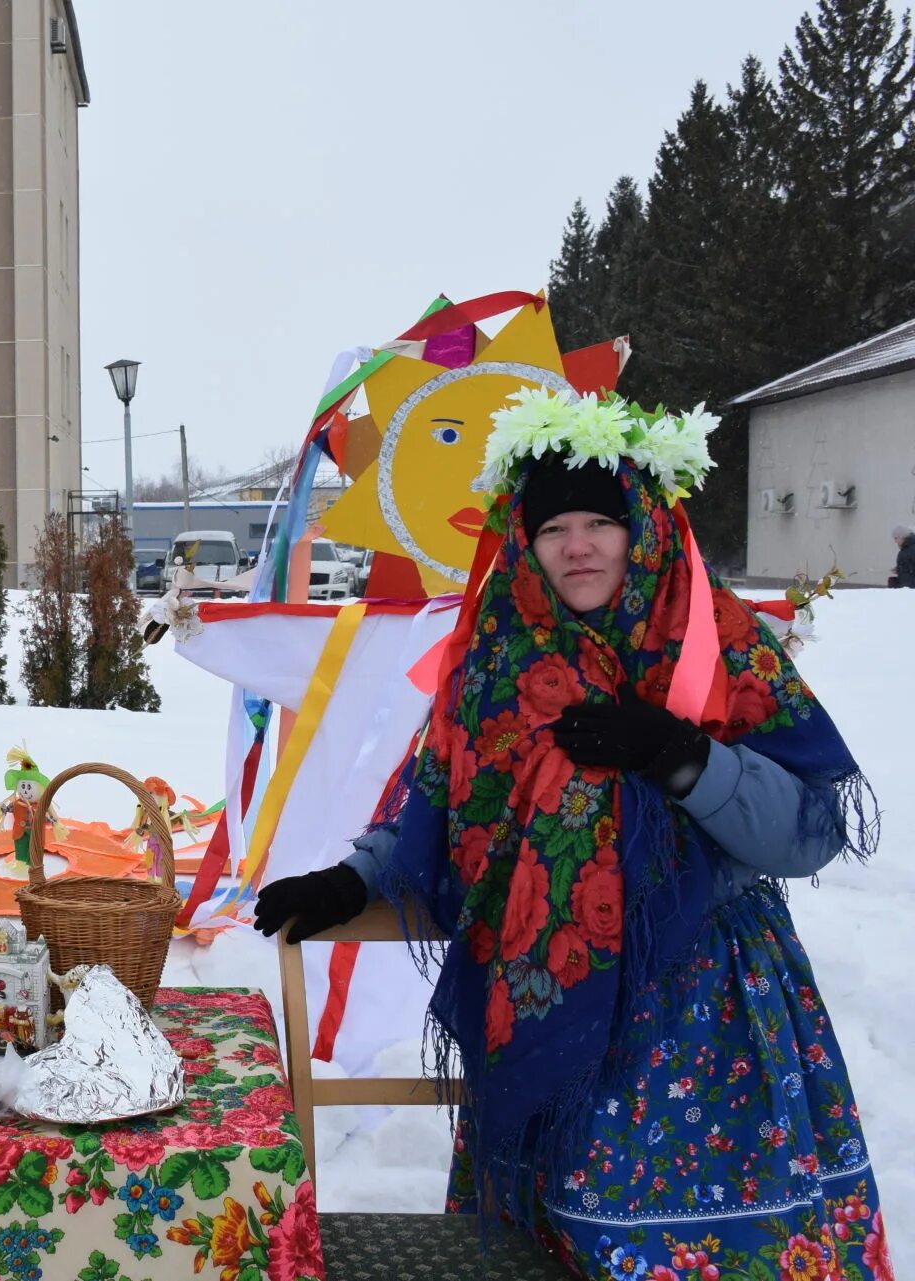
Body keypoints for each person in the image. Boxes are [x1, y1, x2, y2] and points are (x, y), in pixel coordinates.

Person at [256, 389, 891, 1278]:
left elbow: (809, 832)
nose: (580, 545)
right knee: (555, 1252)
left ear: (645, 529)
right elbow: (433, 804)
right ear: (525, 539)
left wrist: (684, 758)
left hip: (708, 1012)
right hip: (543, 1001)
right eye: (556, 527)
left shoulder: (718, 645)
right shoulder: (495, 662)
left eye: (602, 521)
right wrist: (350, 882)